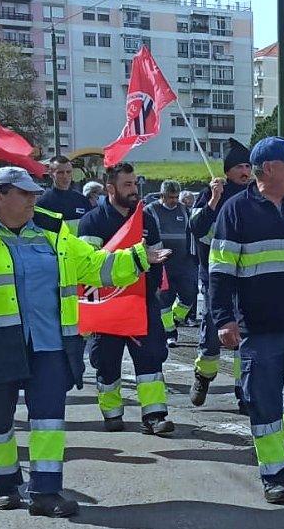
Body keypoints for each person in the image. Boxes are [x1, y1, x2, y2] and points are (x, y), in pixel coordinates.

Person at [0, 166, 165, 516]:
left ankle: (45, 492)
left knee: (49, 420)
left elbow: (92, 266)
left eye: (35, 193)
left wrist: (138, 258)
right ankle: (5, 484)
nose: (33, 199)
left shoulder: (53, 231)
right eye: (25, 193)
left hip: (49, 343)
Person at [209, 136, 284, 504]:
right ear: (268, 169)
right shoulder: (235, 210)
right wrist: (223, 319)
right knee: (262, 404)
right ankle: (275, 475)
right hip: (258, 330)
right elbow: (220, 271)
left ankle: (283, 443)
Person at [78, 163, 176, 435]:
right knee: (106, 362)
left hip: (141, 302)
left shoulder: (146, 219)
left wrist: (151, 292)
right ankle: (112, 413)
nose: (134, 190)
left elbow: (158, 257)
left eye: (135, 184)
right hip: (107, 306)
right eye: (127, 185)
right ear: (111, 188)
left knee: (151, 358)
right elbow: (88, 266)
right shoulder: (92, 221)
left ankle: (154, 416)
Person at [187, 138, 252, 408]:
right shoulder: (210, 194)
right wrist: (213, 200)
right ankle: (204, 374)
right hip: (214, 275)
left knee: (243, 337)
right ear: (227, 171)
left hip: (245, 276)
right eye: (239, 167)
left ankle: (244, 392)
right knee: (213, 334)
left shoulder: (254, 196)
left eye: (248, 166)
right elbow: (196, 228)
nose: (245, 171)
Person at [145, 180, 198, 348]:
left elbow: (192, 232)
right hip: (162, 264)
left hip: (184, 262)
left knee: (190, 296)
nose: (174, 201)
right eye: (170, 197)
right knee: (164, 300)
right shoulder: (150, 210)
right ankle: (170, 333)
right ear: (162, 195)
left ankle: (174, 319)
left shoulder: (184, 210)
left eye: (176, 197)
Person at [36, 156, 91, 235]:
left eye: (68, 172)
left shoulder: (82, 200)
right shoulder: (43, 203)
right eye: (60, 172)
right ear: (51, 174)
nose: (65, 176)